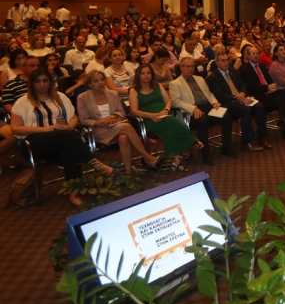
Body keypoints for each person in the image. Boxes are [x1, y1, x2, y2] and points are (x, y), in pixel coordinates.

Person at [10, 68, 112, 206]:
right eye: (37, 81)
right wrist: (46, 129)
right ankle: (94, 162)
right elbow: (15, 128)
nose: (42, 84)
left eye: (45, 80)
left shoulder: (60, 97)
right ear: (32, 84)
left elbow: (74, 118)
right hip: (34, 142)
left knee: (69, 150)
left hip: (64, 140)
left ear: (50, 82)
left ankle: (74, 191)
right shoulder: (22, 102)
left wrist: (69, 126)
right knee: (67, 138)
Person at [77, 70, 163, 175]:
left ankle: (128, 172)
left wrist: (114, 117)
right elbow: (83, 119)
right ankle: (147, 157)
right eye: (96, 81)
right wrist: (100, 122)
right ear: (90, 84)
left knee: (124, 138)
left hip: (116, 126)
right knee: (126, 126)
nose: (100, 83)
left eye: (102, 80)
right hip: (98, 130)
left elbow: (121, 112)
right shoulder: (82, 98)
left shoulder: (113, 94)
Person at [128, 64, 204, 172]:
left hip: (164, 115)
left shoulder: (158, 86)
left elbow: (169, 101)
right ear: (138, 76)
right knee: (173, 122)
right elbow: (134, 111)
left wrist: (166, 110)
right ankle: (193, 140)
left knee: (170, 129)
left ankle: (175, 160)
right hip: (148, 119)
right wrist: (151, 115)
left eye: (148, 73)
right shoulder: (134, 90)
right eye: (143, 73)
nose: (146, 75)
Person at [170, 57, 234, 164]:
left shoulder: (200, 79)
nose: (190, 69)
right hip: (190, 111)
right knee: (202, 121)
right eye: (187, 66)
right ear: (181, 67)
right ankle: (206, 154)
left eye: (192, 66)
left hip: (206, 107)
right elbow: (176, 102)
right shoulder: (175, 83)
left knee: (226, 117)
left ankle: (226, 148)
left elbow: (209, 94)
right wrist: (193, 108)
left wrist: (214, 102)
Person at [206, 52, 272, 151]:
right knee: (246, 110)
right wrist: (236, 97)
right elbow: (219, 95)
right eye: (223, 61)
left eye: (227, 60)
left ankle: (262, 137)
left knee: (259, 106)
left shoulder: (233, 72)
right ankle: (246, 142)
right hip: (227, 102)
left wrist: (242, 93)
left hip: (240, 98)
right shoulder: (213, 77)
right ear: (217, 63)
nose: (226, 63)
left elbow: (243, 84)